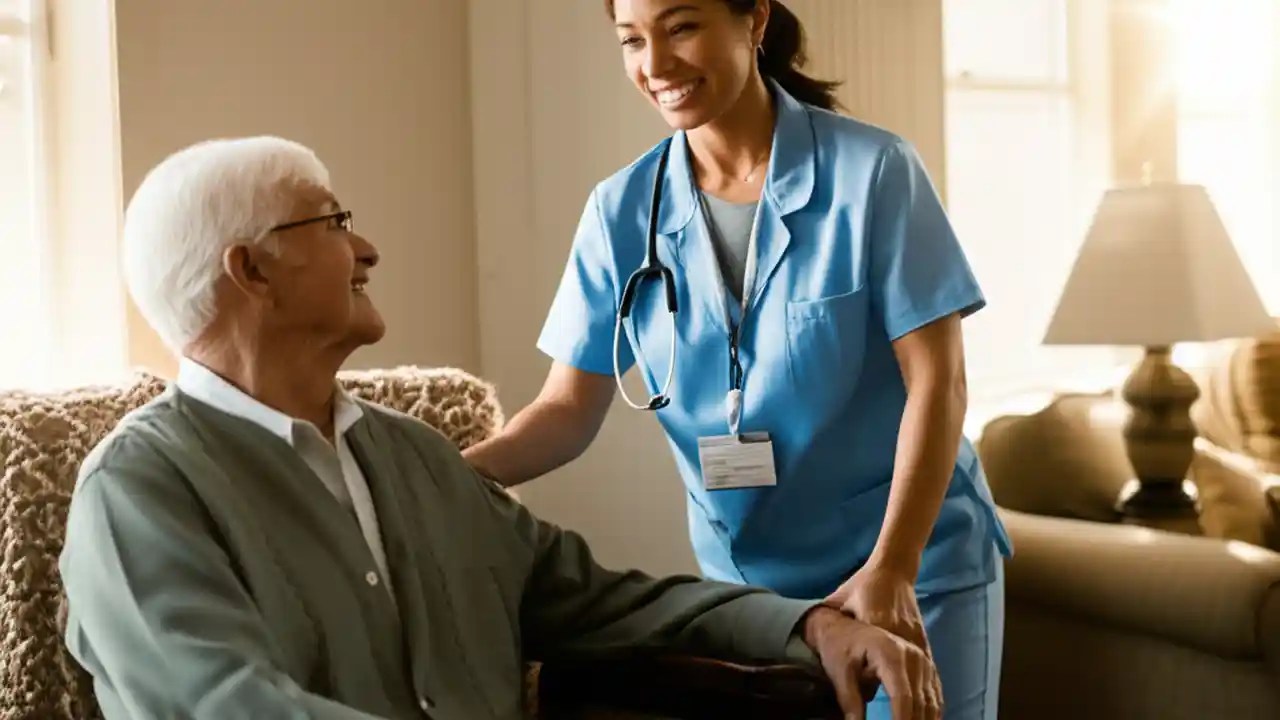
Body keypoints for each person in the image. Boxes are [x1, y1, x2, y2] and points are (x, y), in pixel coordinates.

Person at [58, 135, 943, 720]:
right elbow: (227, 705)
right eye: (334, 223)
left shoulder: (411, 458)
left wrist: (812, 627)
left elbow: (604, 600)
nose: (366, 250)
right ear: (250, 270)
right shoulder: (138, 490)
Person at [460, 1, 1013, 719]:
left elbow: (938, 383)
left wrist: (894, 568)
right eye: (632, 39)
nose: (655, 64)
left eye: (681, 26)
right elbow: (567, 409)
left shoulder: (872, 172)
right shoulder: (620, 211)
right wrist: (438, 475)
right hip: (753, 599)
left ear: (753, 19)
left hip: (911, 567)